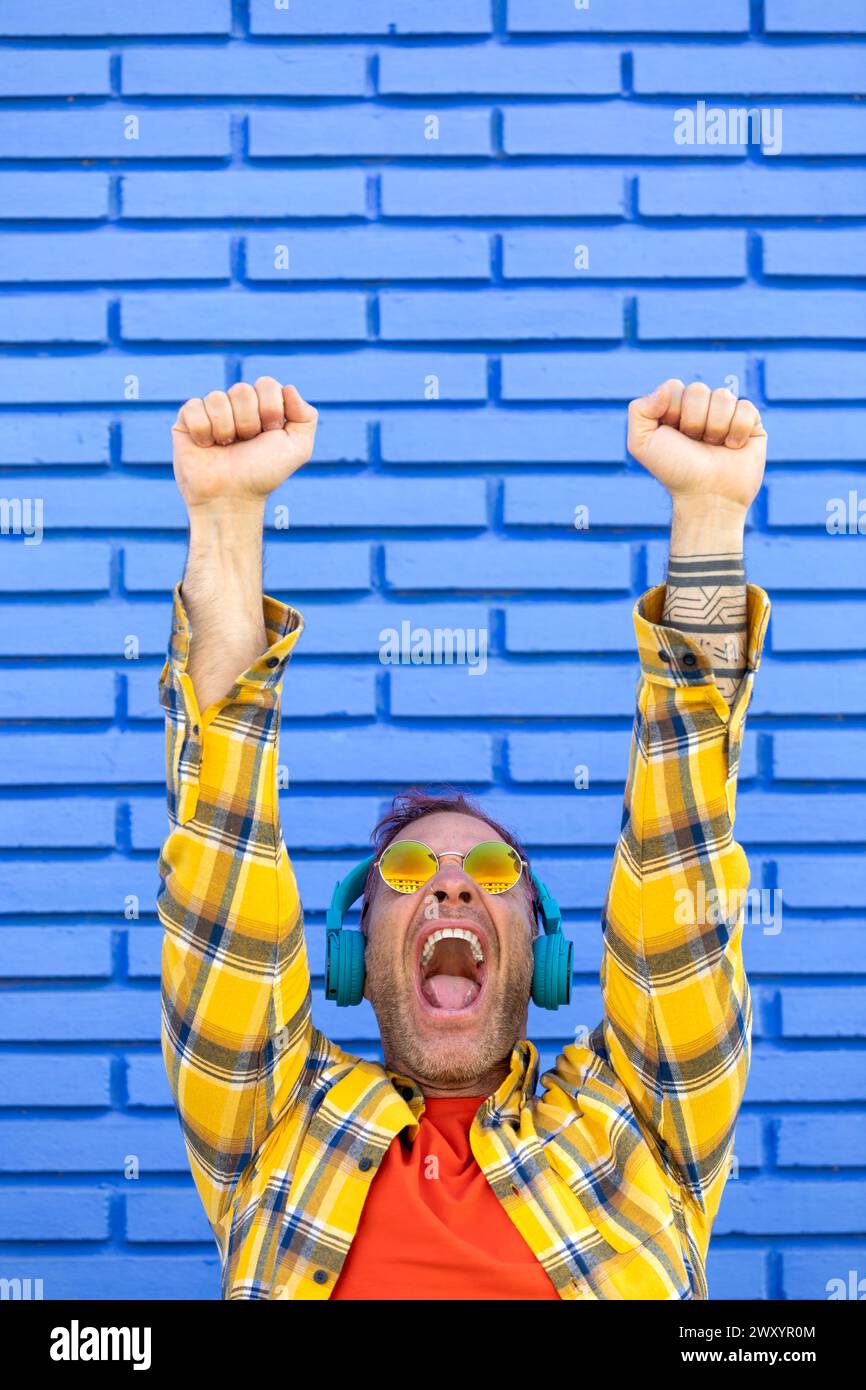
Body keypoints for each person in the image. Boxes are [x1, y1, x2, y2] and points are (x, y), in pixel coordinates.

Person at [158, 376, 769, 1300]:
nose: (452, 889)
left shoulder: (634, 1121)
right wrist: (228, 521)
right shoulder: (275, 1127)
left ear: (543, 945)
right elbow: (224, 855)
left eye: (490, 870)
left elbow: (683, 837)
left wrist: (712, 517)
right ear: (355, 951)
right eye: (408, 871)